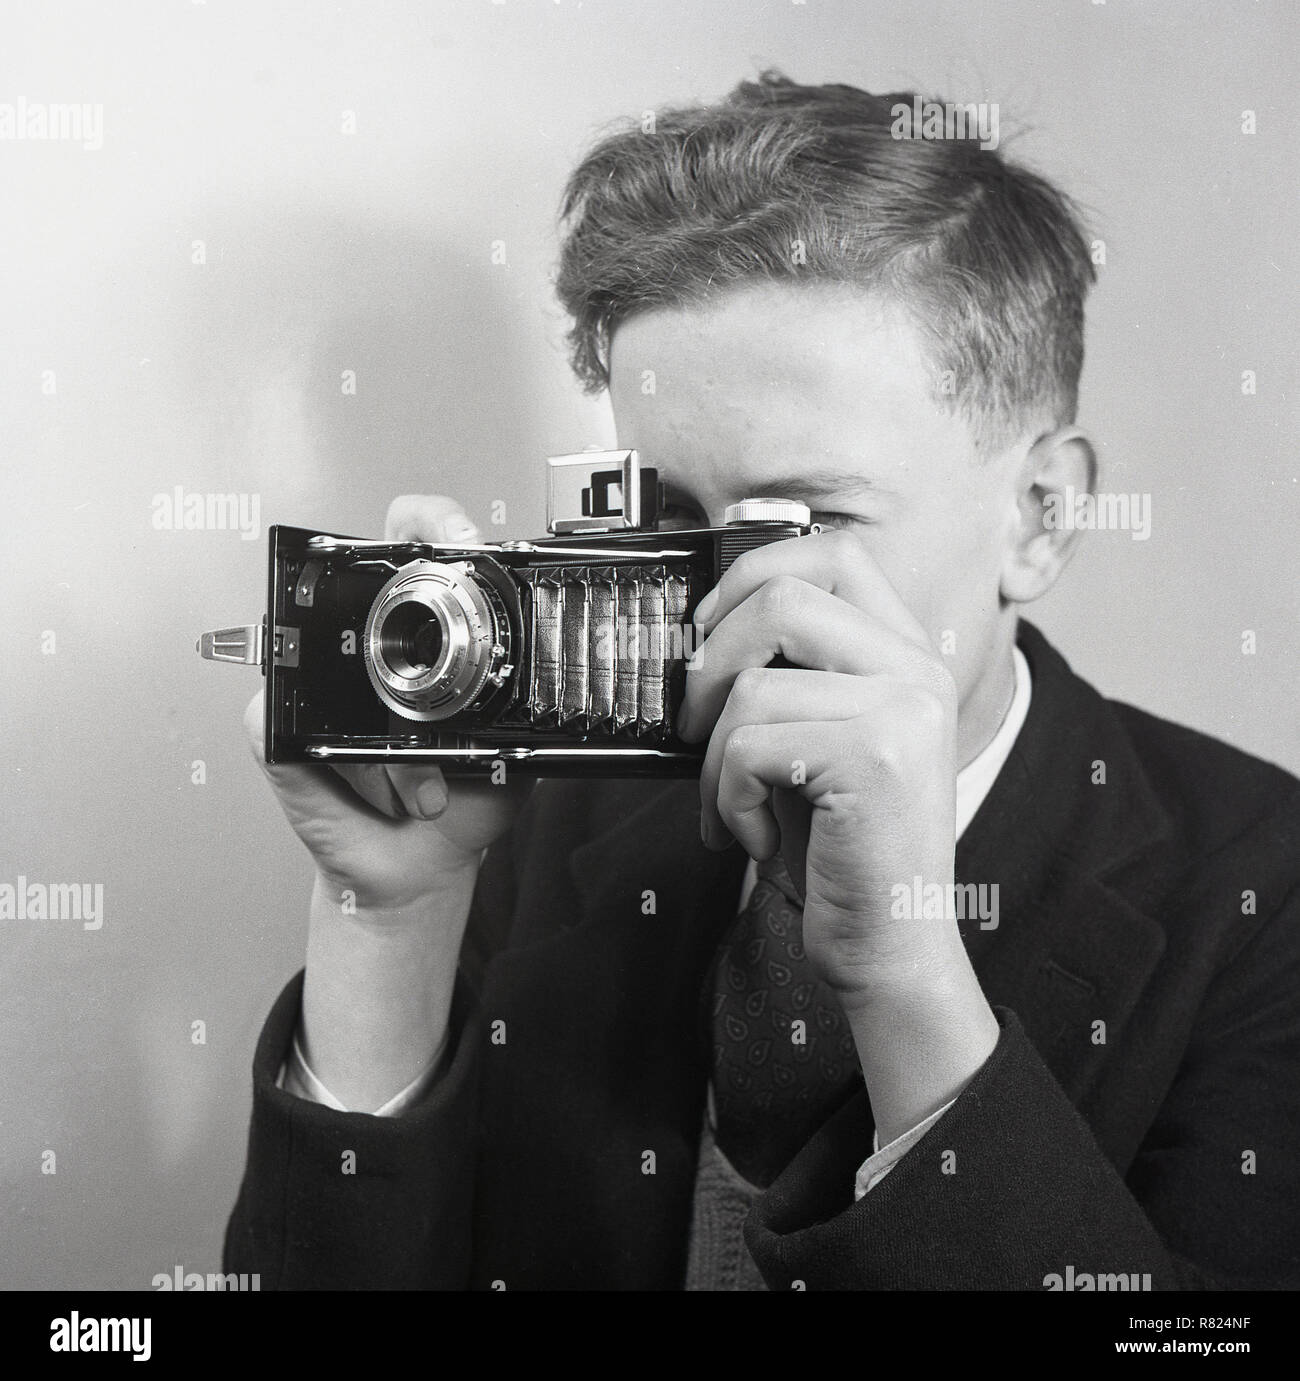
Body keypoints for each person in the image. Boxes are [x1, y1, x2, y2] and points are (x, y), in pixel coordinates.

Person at [223, 73, 1300, 1290]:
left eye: (811, 519)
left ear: (1040, 519)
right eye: (670, 515)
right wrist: (392, 916)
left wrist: (904, 980)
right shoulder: (556, 808)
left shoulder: (1263, 893)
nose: (728, 607)